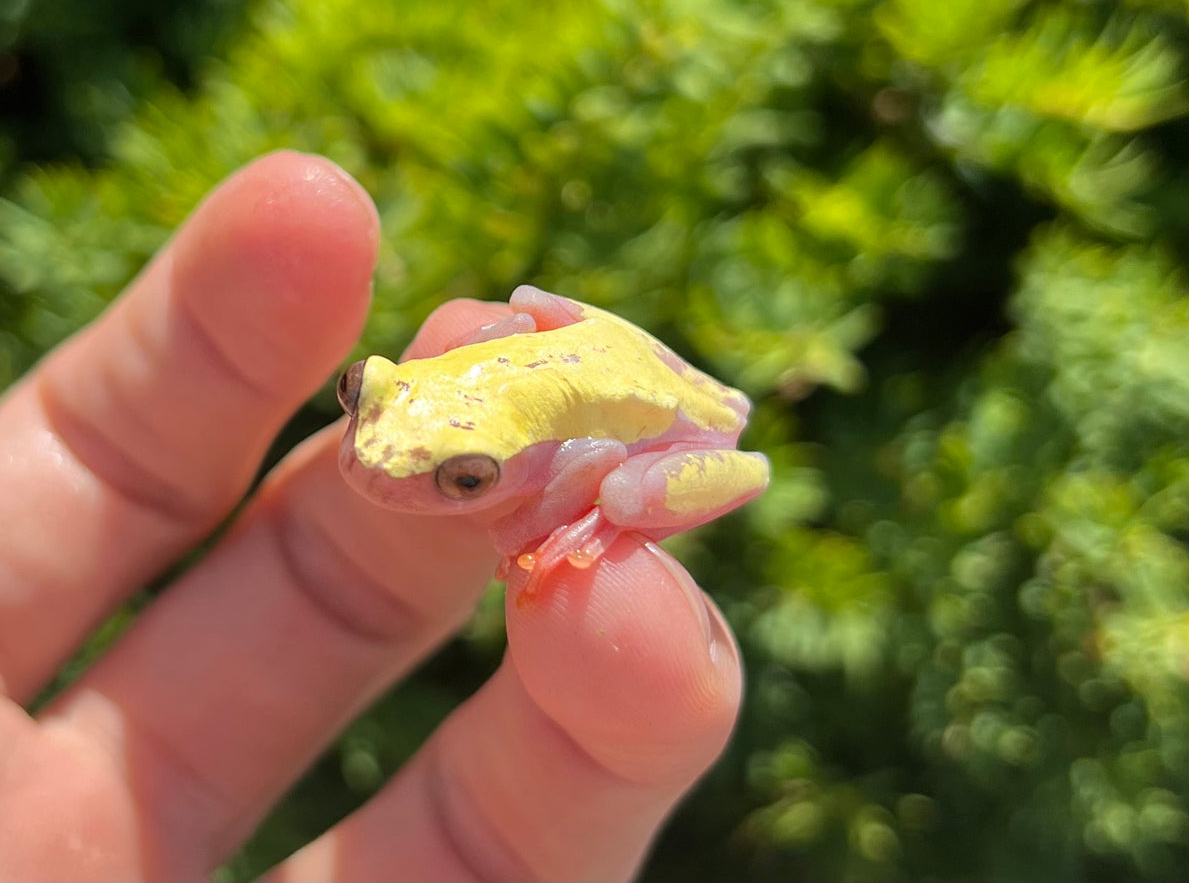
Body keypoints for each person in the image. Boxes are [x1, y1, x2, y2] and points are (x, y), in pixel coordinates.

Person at [0, 152, 742, 881]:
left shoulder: (562, 446)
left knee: (613, 493)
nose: (367, 462)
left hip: (680, 426)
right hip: (593, 373)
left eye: (463, 477)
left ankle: (586, 503)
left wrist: (543, 518)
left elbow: (588, 452)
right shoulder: (426, 422)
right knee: (524, 302)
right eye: (360, 393)